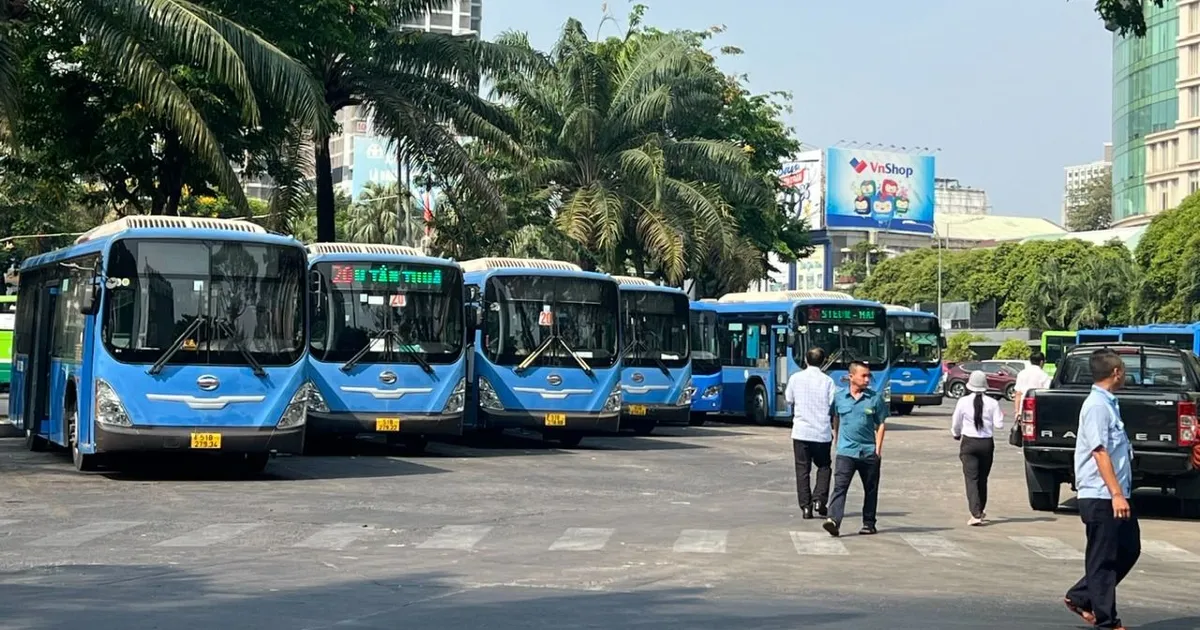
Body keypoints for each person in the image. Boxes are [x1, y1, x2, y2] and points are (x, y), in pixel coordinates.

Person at [1063, 349, 1140, 630]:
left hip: (1116, 493)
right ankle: (1107, 622)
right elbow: (1099, 452)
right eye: (1124, 369)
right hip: (1101, 495)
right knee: (1103, 559)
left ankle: (1081, 595)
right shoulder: (1096, 406)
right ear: (1116, 372)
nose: (1126, 374)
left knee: (1130, 548)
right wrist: (1116, 494)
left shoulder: (1109, 403)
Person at [823, 361, 888, 537]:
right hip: (846, 451)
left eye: (869, 376)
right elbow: (836, 418)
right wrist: (837, 440)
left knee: (870, 489)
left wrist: (878, 449)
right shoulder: (839, 397)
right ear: (851, 377)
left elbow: (881, 423)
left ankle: (869, 523)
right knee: (840, 487)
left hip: (868, 452)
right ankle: (833, 520)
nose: (867, 379)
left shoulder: (875, 398)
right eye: (863, 376)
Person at [784, 347, 838, 519]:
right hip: (821, 432)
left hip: (801, 431)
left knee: (802, 469)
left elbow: (788, 399)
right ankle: (819, 500)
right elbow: (832, 405)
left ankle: (805, 507)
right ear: (823, 362)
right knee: (824, 467)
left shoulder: (795, 378)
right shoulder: (828, 381)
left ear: (806, 361)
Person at [951, 370, 1004, 526]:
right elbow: (999, 425)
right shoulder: (993, 403)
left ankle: (976, 513)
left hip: (969, 443)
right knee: (982, 478)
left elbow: (956, 423)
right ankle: (980, 509)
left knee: (971, 479)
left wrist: (956, 434)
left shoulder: (963, 402)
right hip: (986, 444)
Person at [1014, 351, 1052, 419]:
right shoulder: (1044, 375)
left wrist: (1017, 412)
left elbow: (1018, 394)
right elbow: (1046, 394)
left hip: (1023, 409)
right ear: (1041, 362)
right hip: (1037, 410)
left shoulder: (1021, 373)